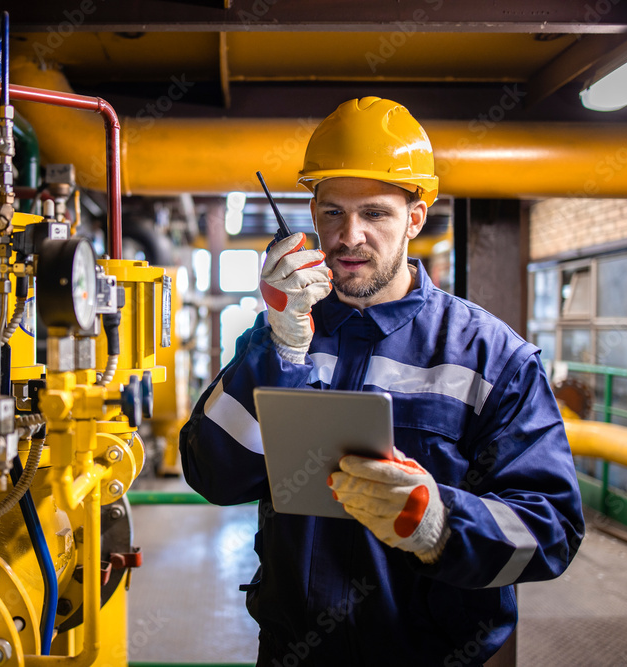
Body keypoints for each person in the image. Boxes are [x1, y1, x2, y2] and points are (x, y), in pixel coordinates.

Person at [179, 97, 584, 666]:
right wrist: (280, 347)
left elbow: (552, 530)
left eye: (375, 213)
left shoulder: (492, 357)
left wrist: (441, 523)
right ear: (312, 213)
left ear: (415, 217)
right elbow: (212, 475)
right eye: (333, 213)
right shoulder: (278, 333)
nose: (350, 237)